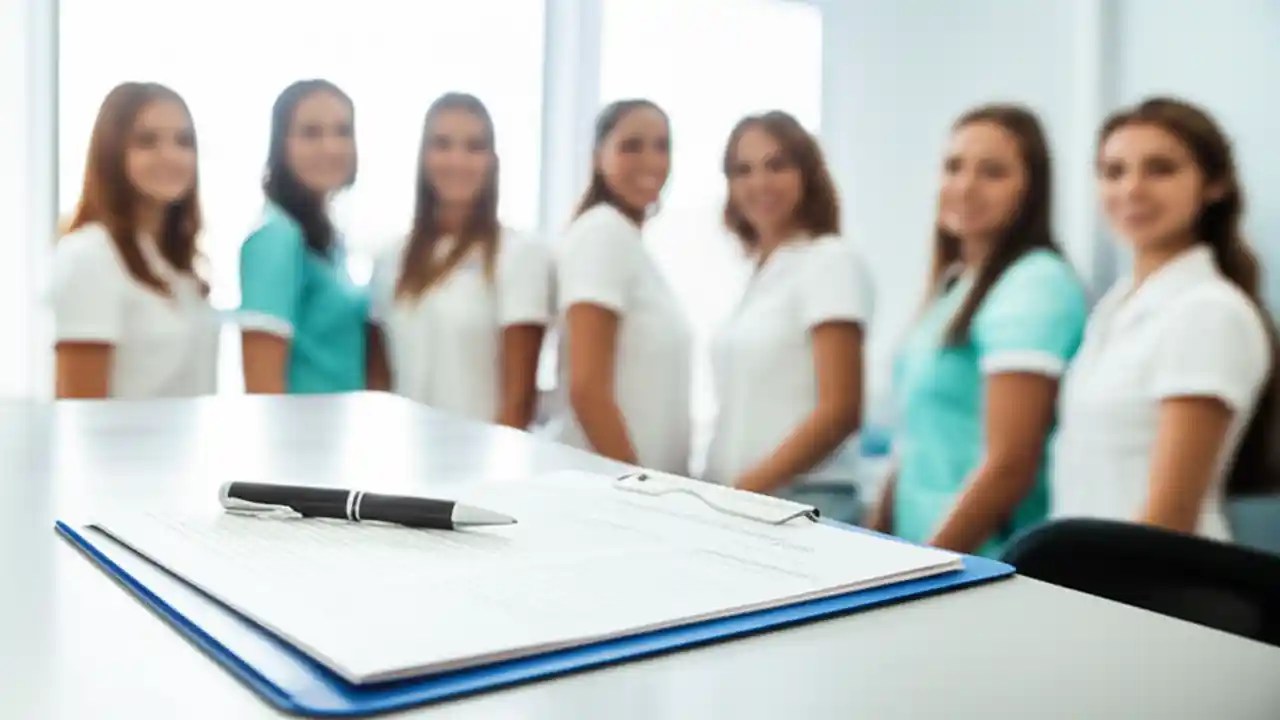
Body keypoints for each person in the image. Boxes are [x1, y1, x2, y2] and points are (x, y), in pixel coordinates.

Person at [869, 105, 1089, 557]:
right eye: (953, 167)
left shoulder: (1036, 284)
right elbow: (916, 439)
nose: (965, 186)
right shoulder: (955, 282)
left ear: (1031, 188)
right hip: (915, 547)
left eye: (992, 172)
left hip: (977, 560)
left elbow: (1010, 465)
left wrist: (927, 567)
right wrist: (873, 539)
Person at [1052, 98, 1276, 539]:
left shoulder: (1209, 313)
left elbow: (1169, 516)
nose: (1132, 188)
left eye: (1160, 169)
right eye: (1114, 172)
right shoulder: (1117, 306)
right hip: (1089, 578)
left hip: (1148, 588)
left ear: (1214, 185)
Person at [703, 111, 872, 515]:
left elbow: (840, 411)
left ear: (807, 174)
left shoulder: (830, 260)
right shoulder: (761, 274)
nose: (759, 182)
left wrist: (743, 491)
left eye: (776, 165)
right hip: (750, 502)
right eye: (742, 170)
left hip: (805, 505)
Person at [369, 93, 551, 427]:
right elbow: (379, 384)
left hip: (480, 466)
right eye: (442, 144)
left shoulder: (518, 255)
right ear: (424, 156)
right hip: (400, 464)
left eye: (474, 146)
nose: (457, 159)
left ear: (492, 161)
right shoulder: (390, 259)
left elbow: (519, 398)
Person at [51, 82, 218, 399]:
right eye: (146, 141)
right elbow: (78, 408)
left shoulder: (178, 264)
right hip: (122, 449)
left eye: (184, 141)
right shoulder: (89, 256)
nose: (170, 155)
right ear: (111, 152)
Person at [551, 99, 692, 474]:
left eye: (662, 146)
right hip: (613, 493)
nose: (650, 160)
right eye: (632, 146)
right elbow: (587, 389)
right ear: (599, 157)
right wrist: (640, 487)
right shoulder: (602, 232)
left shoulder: (628, 243)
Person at [238, 79, 371, 394]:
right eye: (311, 133)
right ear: (281, 145)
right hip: (301, 440)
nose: (330, 147)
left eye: (342, 132)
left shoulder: (325, 238)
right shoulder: (275, 237)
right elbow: (262, 386)